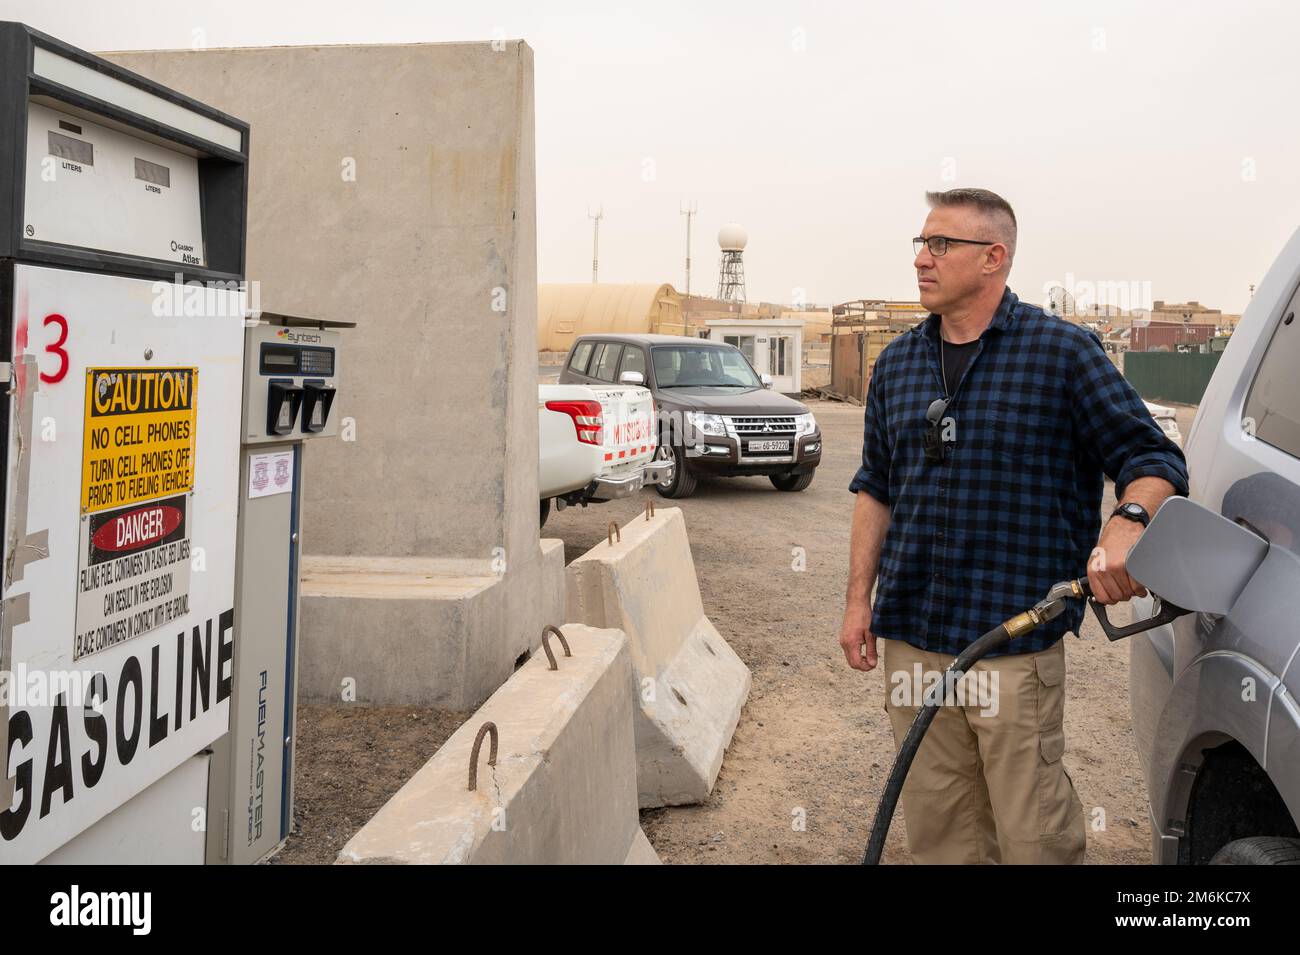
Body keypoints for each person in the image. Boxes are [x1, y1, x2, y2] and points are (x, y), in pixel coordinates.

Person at [840, 187, 1189, 863]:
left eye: (941, 244)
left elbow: (1151, 456)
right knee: (941, 834)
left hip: (1013, 642)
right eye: (920, 243)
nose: (922, 259)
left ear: (993, 258)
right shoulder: (897, 364)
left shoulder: (1063, 354)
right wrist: (859, 601)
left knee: (1033, 838)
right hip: (912, 638)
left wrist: (1129, 520)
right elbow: (874, 488)